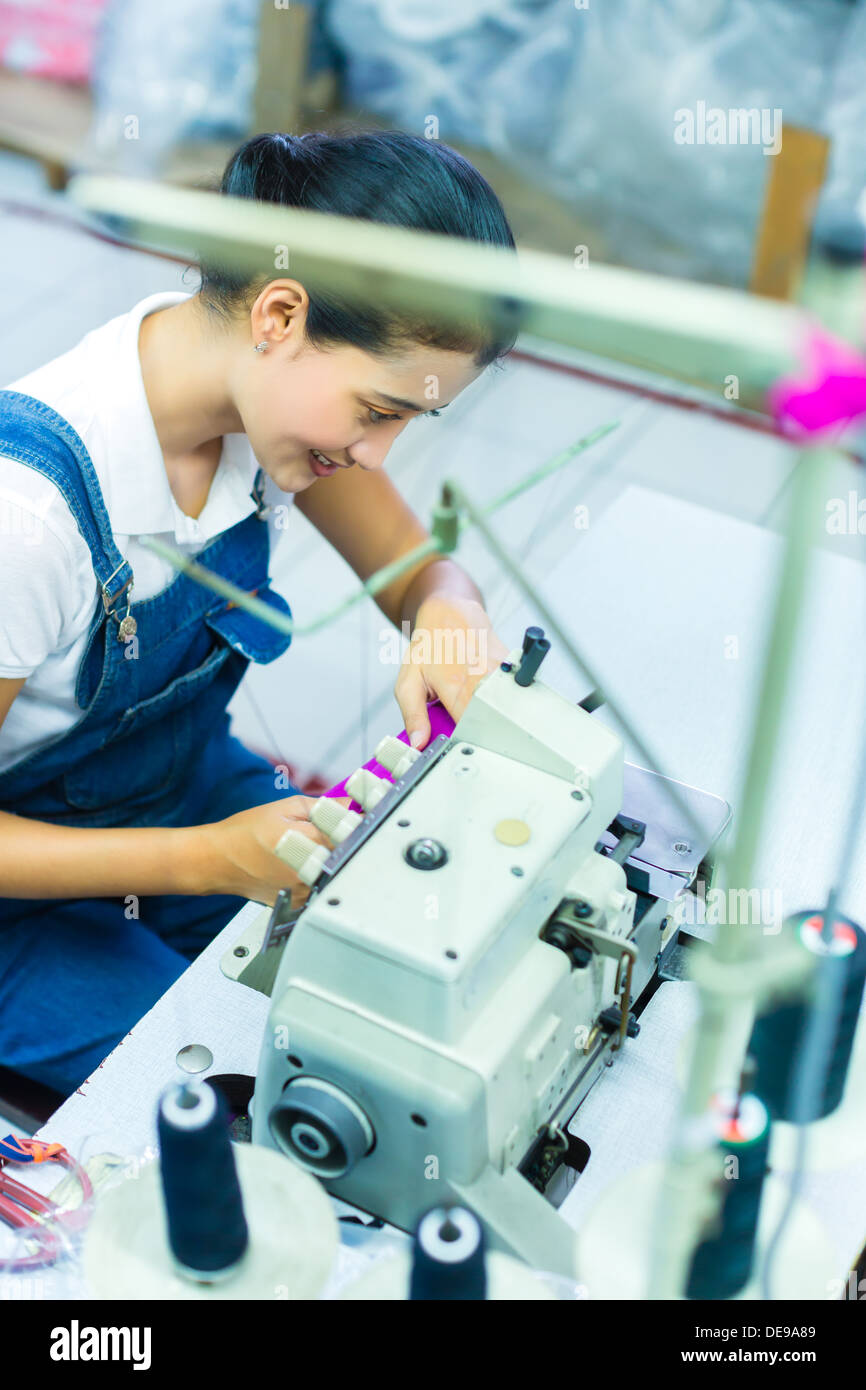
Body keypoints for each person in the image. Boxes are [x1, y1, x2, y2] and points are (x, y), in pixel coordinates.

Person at [0, 130, 517, 1096]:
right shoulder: (27, 518)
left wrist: (448, 604)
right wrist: (204, 862)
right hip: (18, 894)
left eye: (412, 419)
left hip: (180, 792)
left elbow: (417, 572)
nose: (380, 454)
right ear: (279, 313)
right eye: (377, 409)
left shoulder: (257, 404)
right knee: (243, 1086)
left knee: (394, 1000)